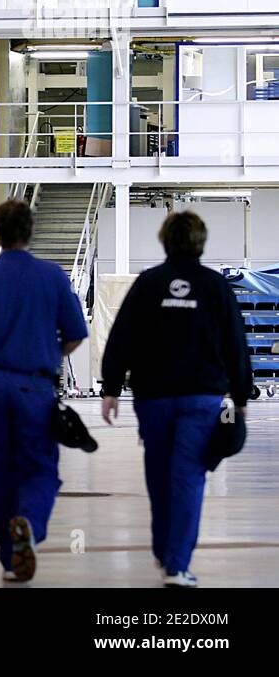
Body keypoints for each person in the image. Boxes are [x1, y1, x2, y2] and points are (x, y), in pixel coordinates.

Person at [100, 211, 252, 588]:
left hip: (154, 398)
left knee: (158, 475)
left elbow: (122, 337)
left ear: (164, 240)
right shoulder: (216, 287)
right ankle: (176, 563)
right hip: (201, 399)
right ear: (201, 241)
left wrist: (111, 389)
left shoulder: (149, 284)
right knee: (188, 477)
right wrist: (241, 395)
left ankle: (164, 550)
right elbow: (236, 345)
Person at [0, 198, 88, 584]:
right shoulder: (54, 277)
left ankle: (9, 559)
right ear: (30, 231)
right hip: (36, 383)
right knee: (40, 467)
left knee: (1, 470)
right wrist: (49, 353)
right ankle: (30, 522)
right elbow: (76, 334)